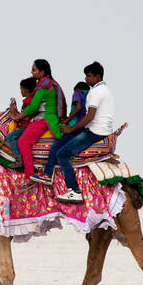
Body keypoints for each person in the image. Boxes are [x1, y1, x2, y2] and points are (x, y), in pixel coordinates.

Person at [51, 62, 115, 203]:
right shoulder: (106, 90)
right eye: (86, 76)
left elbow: (89, 116)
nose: (86, 79)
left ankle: (74, 190)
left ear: (97, 76)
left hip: (95, 132)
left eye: (89, 76)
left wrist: (70, 129)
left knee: (61, 153)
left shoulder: (95, 92)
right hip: (104, 131)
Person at [5, 59, 66, 187]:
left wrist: (16, 117)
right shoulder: (48, 84)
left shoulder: (44, 86)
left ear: (42, 72)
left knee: (23, 141)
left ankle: (29, 176)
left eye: (34, 70)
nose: (32, 72)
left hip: (45, 119)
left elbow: (32, 107)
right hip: (44, 118)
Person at [41, 81, 88, 185]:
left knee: (55, 147)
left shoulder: (77, 93)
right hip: (81, 128)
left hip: (74, 128)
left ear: (77, 89)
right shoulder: (87, 97)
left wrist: (66, 120)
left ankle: (47, 174)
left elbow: (78, 107)